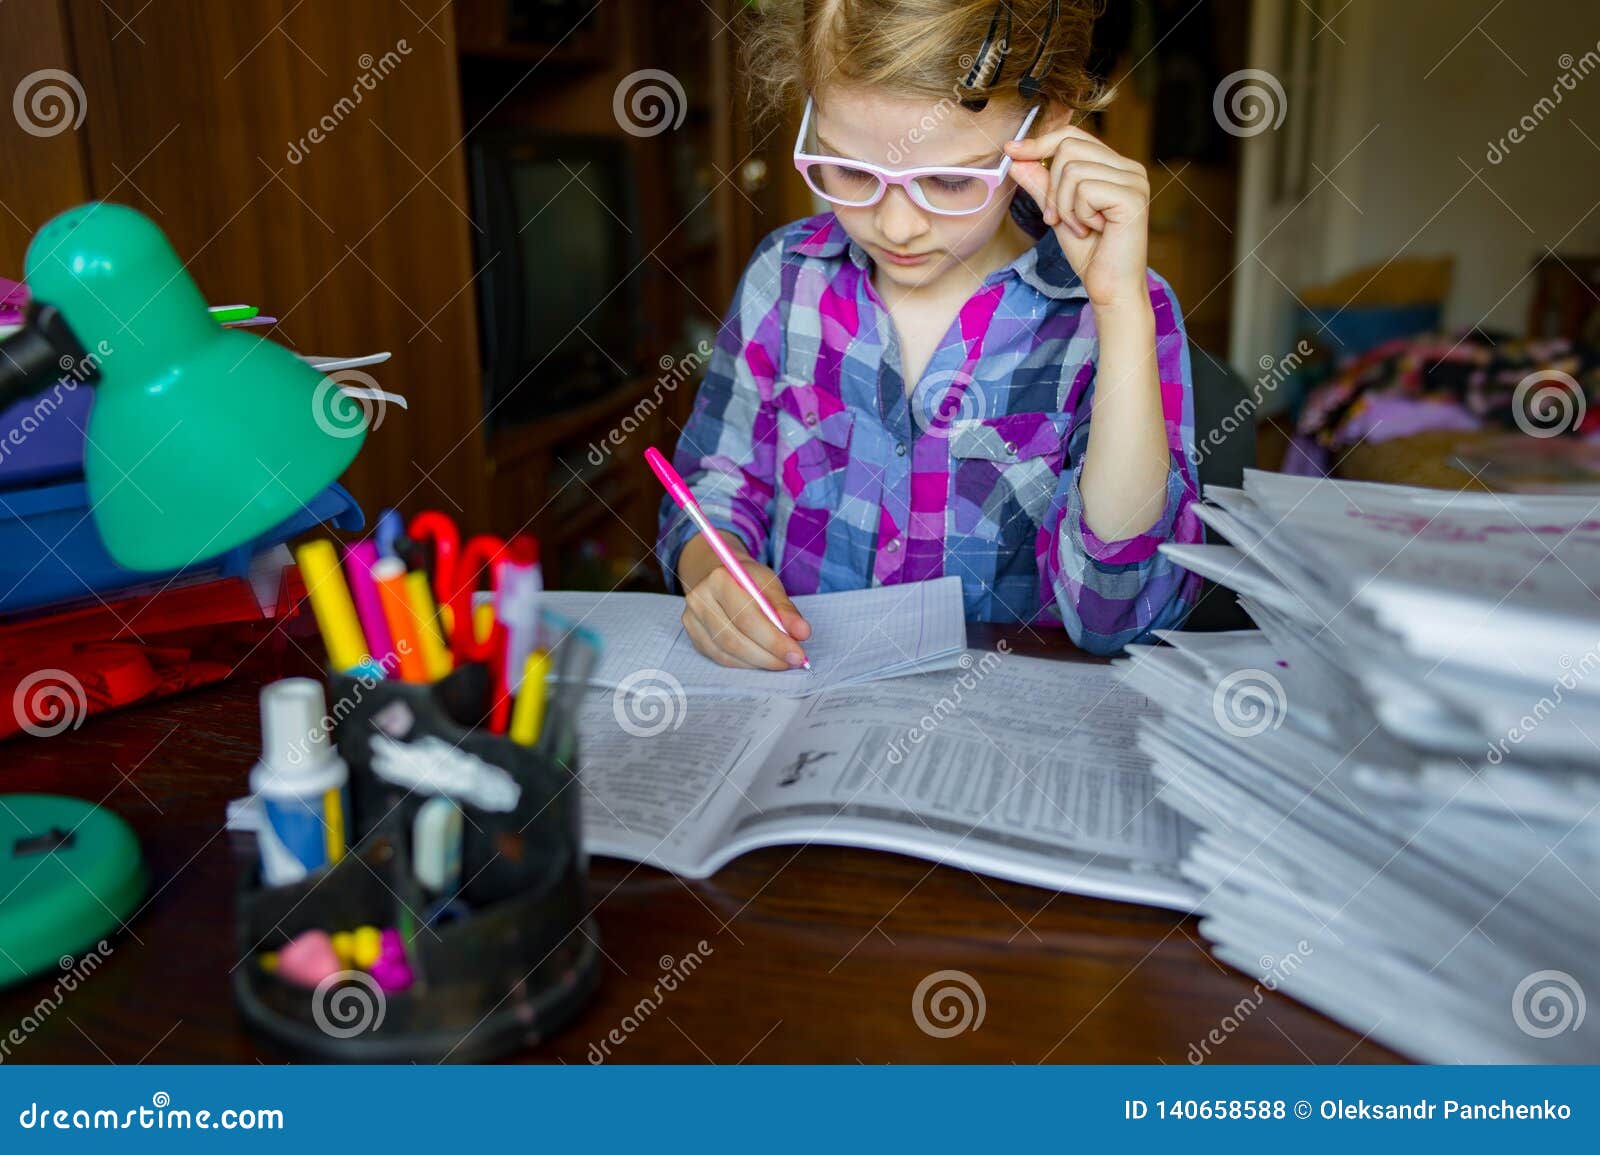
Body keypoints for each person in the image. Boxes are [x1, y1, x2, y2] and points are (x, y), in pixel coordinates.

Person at [657, 0, 1202, 668]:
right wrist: (713, 568)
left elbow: (1114, 617)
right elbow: (716, 482)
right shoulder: (787, 275)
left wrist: (1118, 308)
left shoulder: (1110, 310)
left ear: (1051, 124)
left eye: (948, 180)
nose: (896, 226)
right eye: (850, 170)